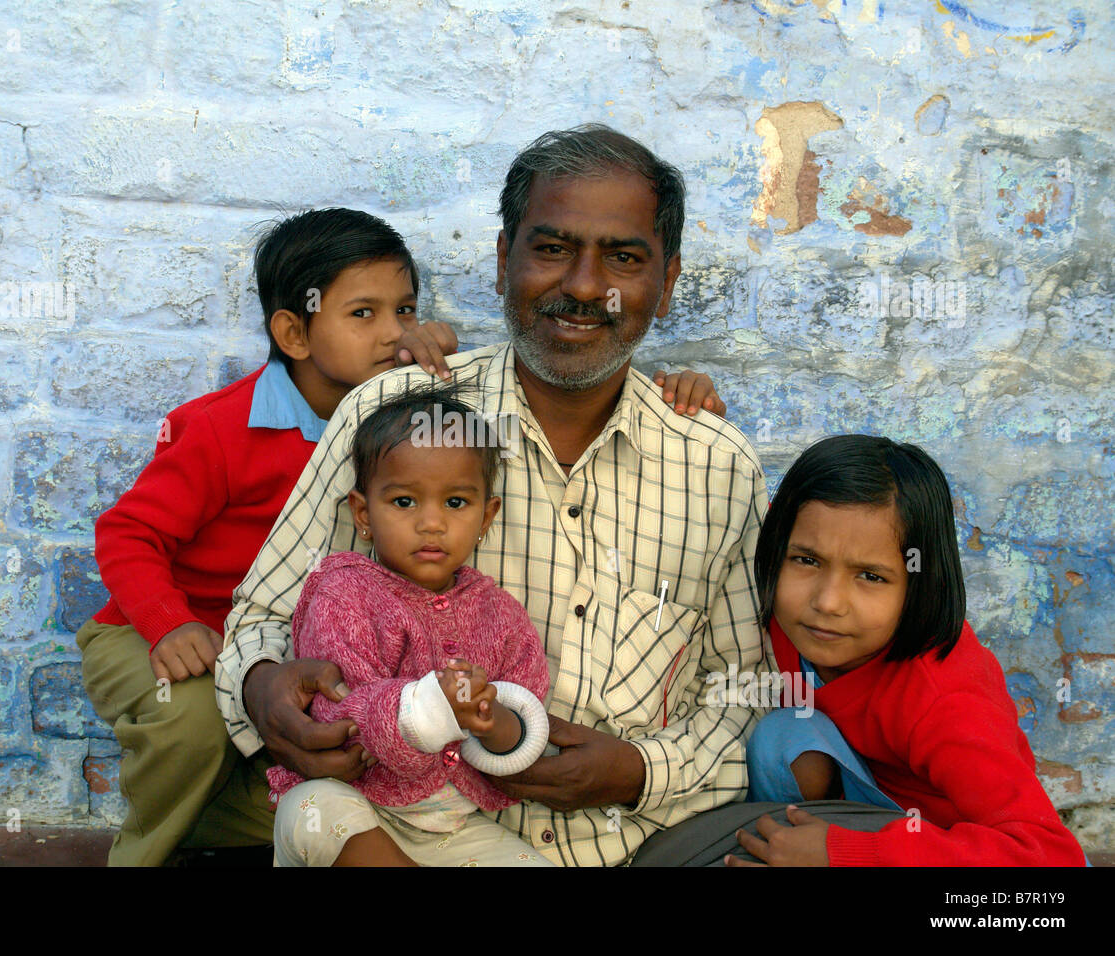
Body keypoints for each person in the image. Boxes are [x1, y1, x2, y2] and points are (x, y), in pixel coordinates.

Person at [77, 205, 722, 866]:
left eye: (405, 312)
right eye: (365, 316)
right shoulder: (222, 428)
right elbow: (128, 534)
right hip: (167, 625)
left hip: (317, 665)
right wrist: (169, 624)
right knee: (194, 729)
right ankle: (147, 850)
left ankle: (240, 817)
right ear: (294, 334)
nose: (393, 333)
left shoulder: (404, 424)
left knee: (324, 766)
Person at [216, 124, 770, 867]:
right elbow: (264, 615)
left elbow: (745, 689)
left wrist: (639, 771)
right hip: (400, 831)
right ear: (504, 259)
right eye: (551, 248)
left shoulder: (716, 467)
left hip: (638, 842)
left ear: (665, 285)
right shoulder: (397, 416)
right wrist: (264, 690)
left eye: (624, 258)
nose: (581, 285)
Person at [728, 434, 1087, 866]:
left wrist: (849, 855)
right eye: (807, 561)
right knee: (783, 739)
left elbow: (1052, 856)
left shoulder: (945, 697)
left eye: (871, 577)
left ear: (919, 584)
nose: (827, 602)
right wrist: (692, 400)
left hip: (944, 849)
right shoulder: (793, 602)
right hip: (868, 804)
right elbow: (727, 492)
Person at [270, 384, 554, 866]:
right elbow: (338, 717)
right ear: (363, 513)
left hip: (453, 825)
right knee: (313, 809)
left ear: (487, 516)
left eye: (455, 503)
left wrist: (494, 721)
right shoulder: (343, 593)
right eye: (404, 502)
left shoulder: (498, 611)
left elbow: (525, 713)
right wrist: (432, 709)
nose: (431, 523)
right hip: (359, 806)